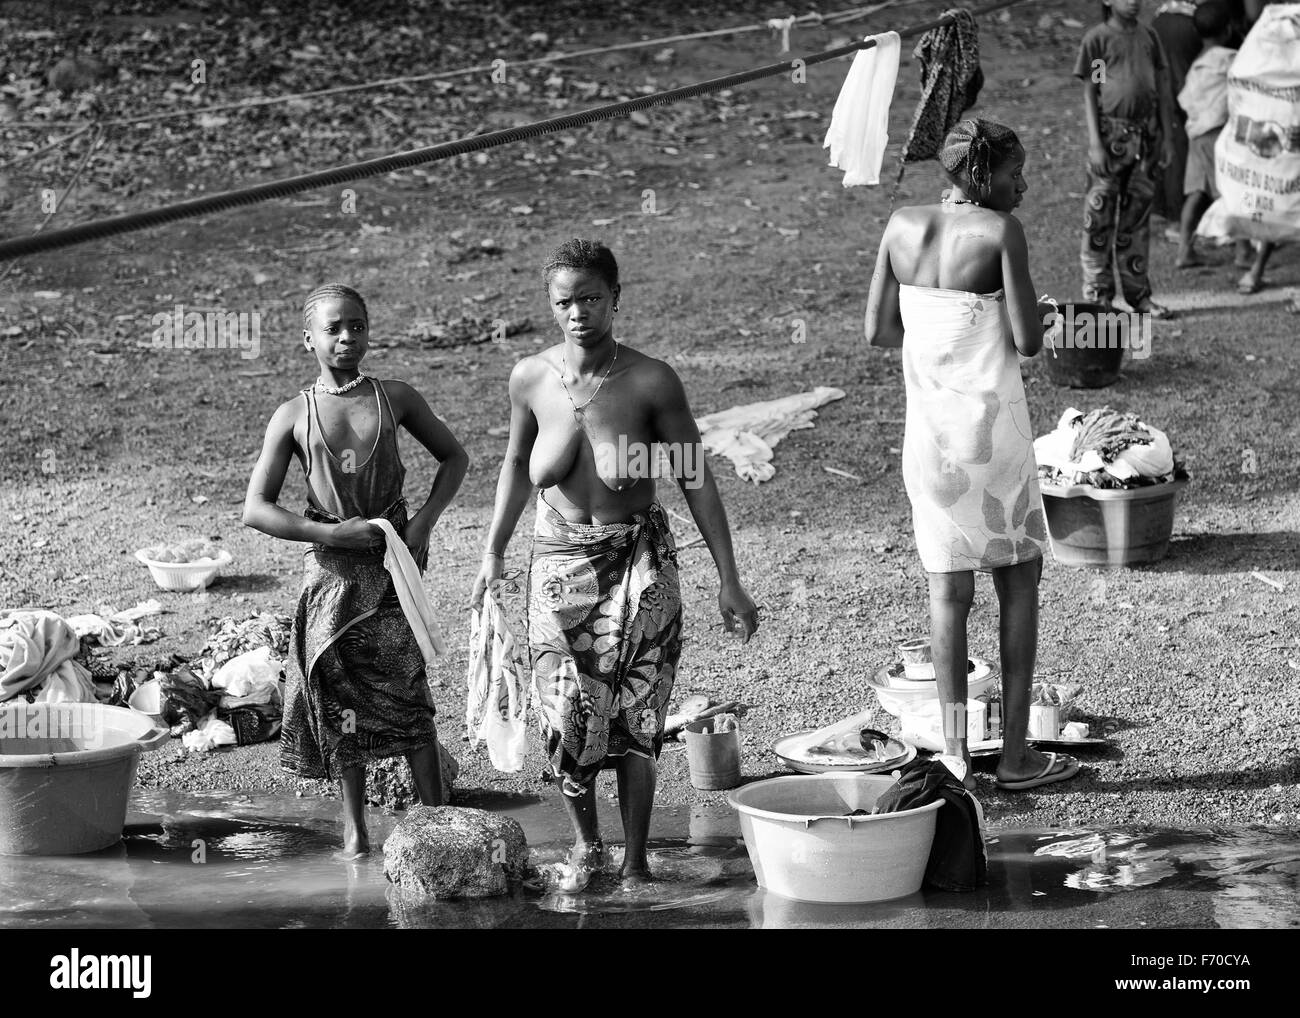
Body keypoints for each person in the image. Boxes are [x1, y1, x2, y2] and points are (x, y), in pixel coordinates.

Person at [472, 239, 758, 888]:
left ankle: (634, 858)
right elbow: (516, 469)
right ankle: (586, 846)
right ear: (551, 306)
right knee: (564, 711)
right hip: (558, 568)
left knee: (637, 716)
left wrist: (729, 580)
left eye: (591, 299)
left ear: (615, 300)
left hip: (639, 568)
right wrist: (492, 552)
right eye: (564, 302)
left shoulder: (651, 380)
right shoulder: (530, 378)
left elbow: (696, 479)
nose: (578, 313)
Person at [864, 119, 1079, 794]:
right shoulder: (999, 232)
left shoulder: (900, 224)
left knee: (947, 593)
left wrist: (944, 326)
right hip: (993, 439)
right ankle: (1015, 759)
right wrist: (1033, 314)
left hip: (929, 442)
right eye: (1017, 172)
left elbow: (878, 329)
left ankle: (955, 755)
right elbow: (1028, 341)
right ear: (985, 178)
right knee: (1018, 580)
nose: (1026, 183)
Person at [243, 283, 469, 858]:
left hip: (394, 563)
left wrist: (421, 525)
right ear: (308, 339)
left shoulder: (396, 397)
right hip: (330, 573)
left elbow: (454, 457)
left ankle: (435, 820)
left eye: (358, 327)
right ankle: (355, 829)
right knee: (336, 687)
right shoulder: (294, 415)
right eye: (333, 329)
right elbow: (257, 508)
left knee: (407, 687)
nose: (347, 338)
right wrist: (328, 533)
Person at [1076, 0, 1178, 317]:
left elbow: (1161, 86)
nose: (1133, 1)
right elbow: (1092, 90)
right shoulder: (1099, 40)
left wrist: (1167, 135)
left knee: (1137, 221)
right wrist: (1095, 142)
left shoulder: (1149, 38)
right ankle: (1098, 300)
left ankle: (1139, 297)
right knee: (1099, 218)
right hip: (1110, 138)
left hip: (1146, 140)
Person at [1174, 1, 1256, 270]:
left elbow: (1186, 98)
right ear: (1228, 29)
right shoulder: (1230, 60)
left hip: (1196, 135)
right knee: (1234, 193)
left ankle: (1184, 250)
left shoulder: (1197, 63)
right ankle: (1243, 251)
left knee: (1196, 193)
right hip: (1218, 137)